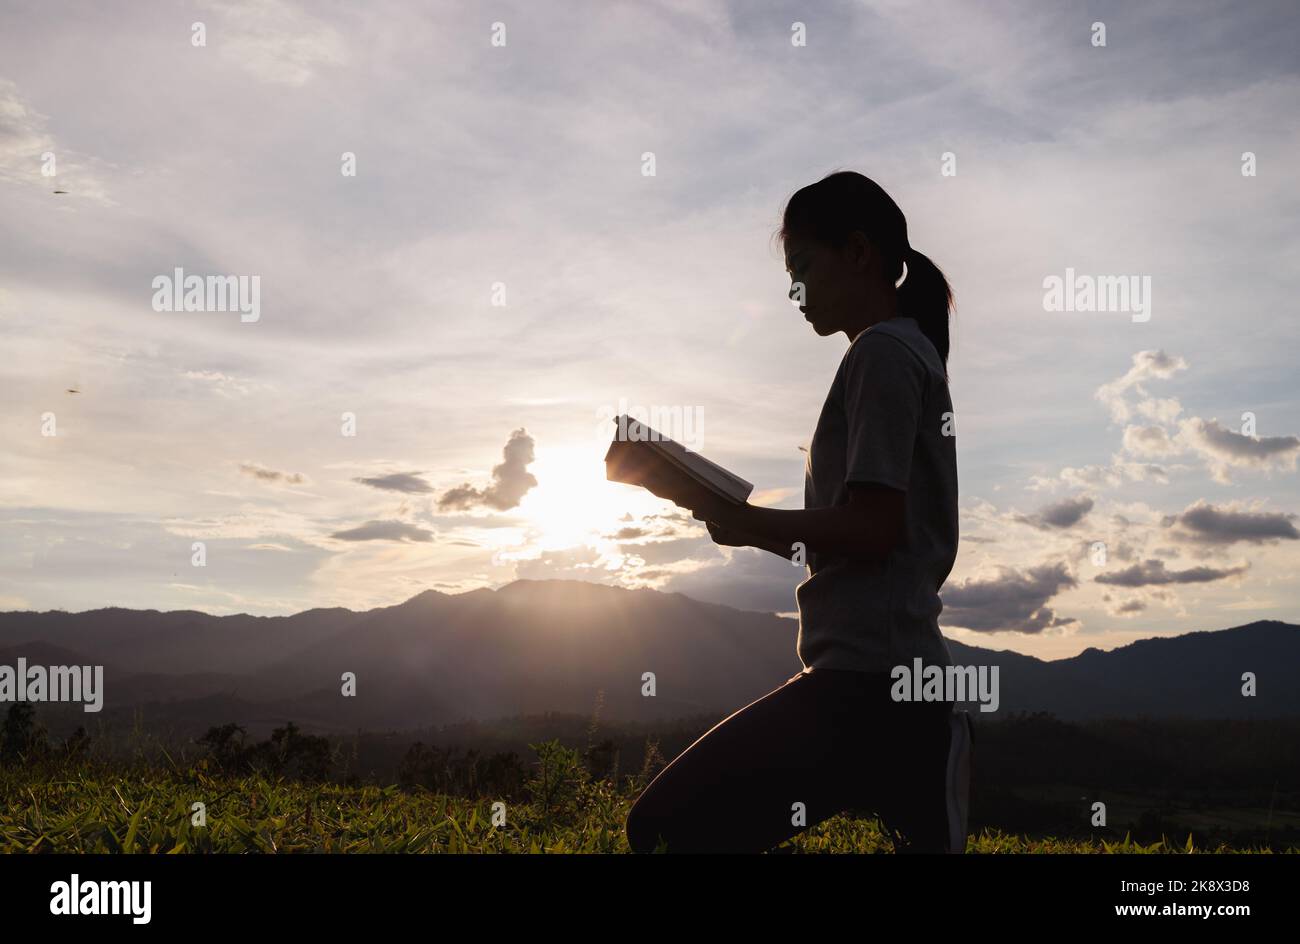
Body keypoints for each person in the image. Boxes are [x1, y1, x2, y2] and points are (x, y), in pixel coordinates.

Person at [624, 170, 972, 854]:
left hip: (866, 687)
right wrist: (743, 525)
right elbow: (863, 535)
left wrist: (749, 521)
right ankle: (926, 756)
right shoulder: (901, 353)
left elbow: (874, 529)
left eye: (803, 268)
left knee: (663, 830)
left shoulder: (883, 354)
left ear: (860, 253)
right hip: (888, 683)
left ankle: (925, 754)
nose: (795, 292)